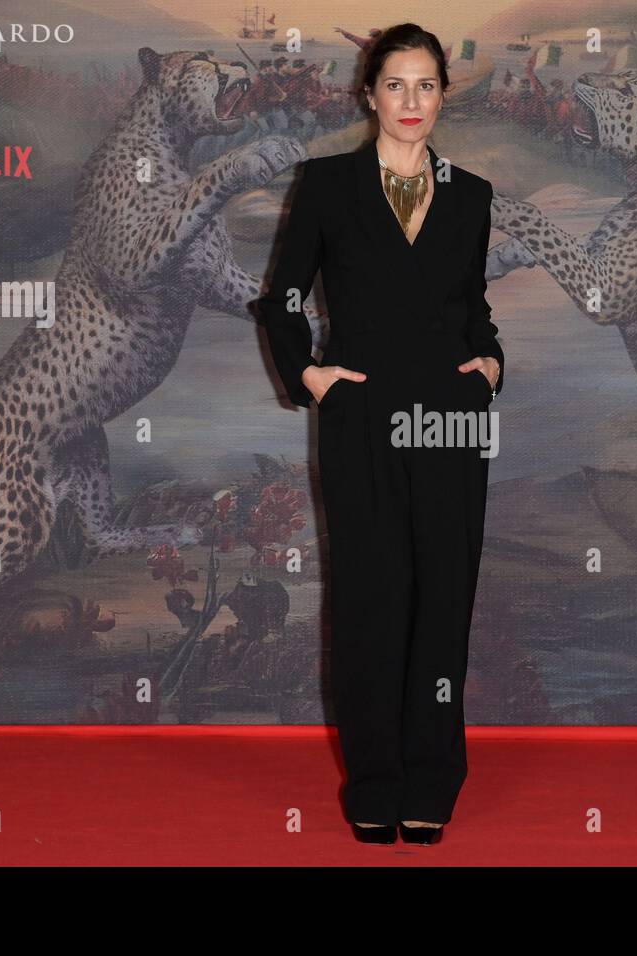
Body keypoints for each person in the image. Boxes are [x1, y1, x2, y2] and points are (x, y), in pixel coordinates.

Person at [258, 23, 503, 846]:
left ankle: (432, 774)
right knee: (370, 599)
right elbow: (282, 298)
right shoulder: (327, 186)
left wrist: (491, 362)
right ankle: (374, 777)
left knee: (443, 599)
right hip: (361, 421)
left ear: (443, 94)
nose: (411, 102)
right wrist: (312, 376)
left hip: (449, 424)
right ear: (369, 94)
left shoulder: (471, 194)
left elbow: (473, 308)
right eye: (395, 85)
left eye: (426, 85)